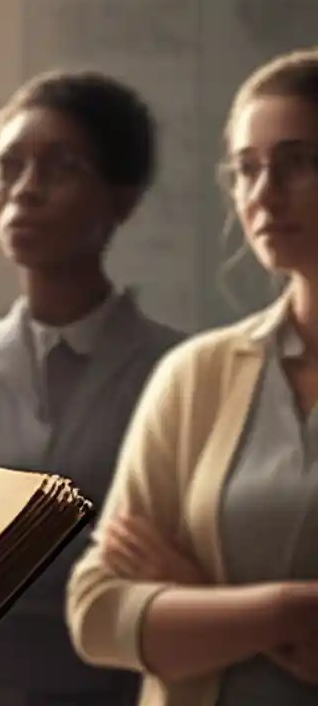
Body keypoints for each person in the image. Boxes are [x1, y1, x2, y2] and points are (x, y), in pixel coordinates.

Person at [0, 70, 184, 705]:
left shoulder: (174, 370)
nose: (22, 193)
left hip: (115, 683)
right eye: (6, 167)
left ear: (122, 197)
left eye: (59, 169)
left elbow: (165, 570)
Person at [68, 48, 318, 706]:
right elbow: (97, 612)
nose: (262, 194)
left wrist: (196, 593)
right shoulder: (197, 375)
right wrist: (288, 611)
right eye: (246, 169)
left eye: (297, 163)